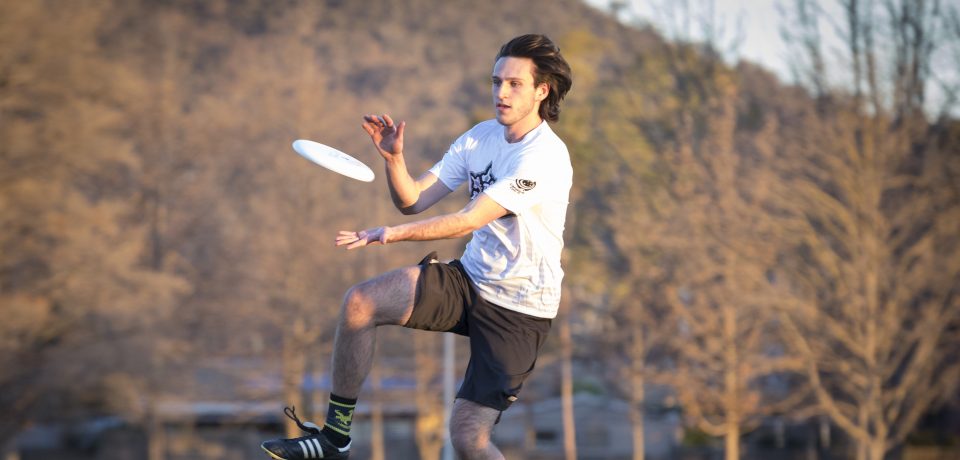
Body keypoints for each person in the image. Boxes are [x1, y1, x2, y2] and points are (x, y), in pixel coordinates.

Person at [261, 33, 573, 460]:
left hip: (520, 309)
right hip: (470, 280)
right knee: (360, 303)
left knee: (468, 439)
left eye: (515, 84)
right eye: (496, 81)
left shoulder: (543, 157)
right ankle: (334, 439)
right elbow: (413, 200)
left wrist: (390, 234)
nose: (501, 93)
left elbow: (468, 219)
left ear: (542, 91)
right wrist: (394, 161)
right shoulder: (479, 137)